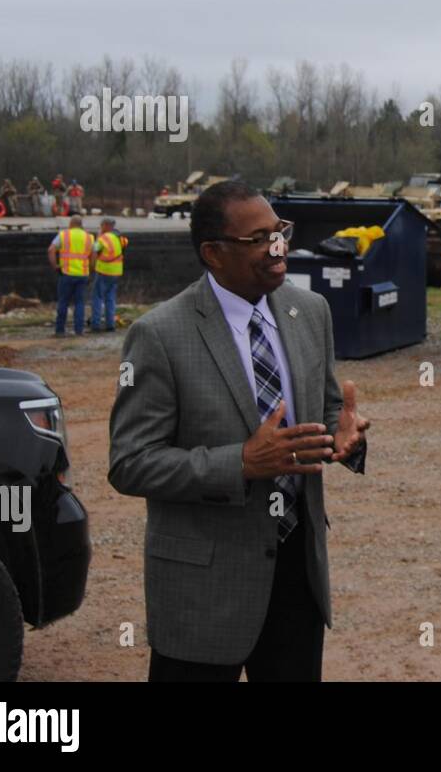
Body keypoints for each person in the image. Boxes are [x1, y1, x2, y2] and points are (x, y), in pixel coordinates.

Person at [108, 180, 369, 682]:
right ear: (214, 253)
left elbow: (333, 411)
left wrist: (348, 440)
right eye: (258, 239)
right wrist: (241, 463)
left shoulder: (309, 312)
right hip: (203, 589)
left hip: (297, 578)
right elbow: (129, 462)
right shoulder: (160, 335)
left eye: (280, 232)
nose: (278, 247)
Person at [47, 215, 94, 336]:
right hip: (83, 274)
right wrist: (90, 269)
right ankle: (79, 330)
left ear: (71, 224)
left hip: (66, 273)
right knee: (79, 303)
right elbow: (93, 255)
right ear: (81, 224)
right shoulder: (89, 237)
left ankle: (60, 331)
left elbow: (51, 250)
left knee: (63, 302)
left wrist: (55, 266)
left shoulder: (64, 235)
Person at [90, 217, 128, 332]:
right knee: (110, 298)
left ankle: (95, 325)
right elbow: (125, 244)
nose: (100, 227)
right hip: (116, 272)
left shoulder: (104, 238)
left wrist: (92, 266)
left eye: (101, 225)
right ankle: (110, 325)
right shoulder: (120, 238)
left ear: (106, 225)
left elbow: (94, 249)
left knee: (97, 297)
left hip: (104, 271)